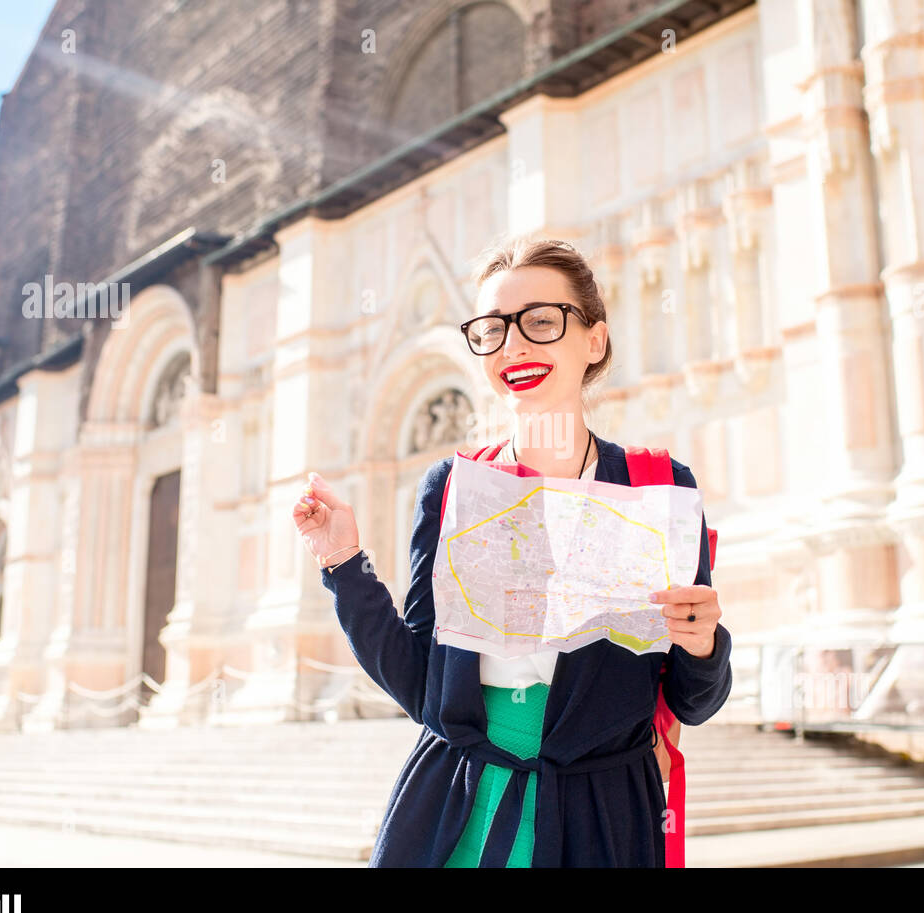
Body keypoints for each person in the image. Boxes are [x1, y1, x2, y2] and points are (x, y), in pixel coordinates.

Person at [292, 236, 732, 866]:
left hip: (603, 818)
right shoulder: (453, 487)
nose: (514, 345)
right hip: (460, 805)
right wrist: (343, 563)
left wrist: (704, 643)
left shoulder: (659, 487)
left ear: (595, 341)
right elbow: (423, 685)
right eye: (492, 329)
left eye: (542, 322)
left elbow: (695, 699)